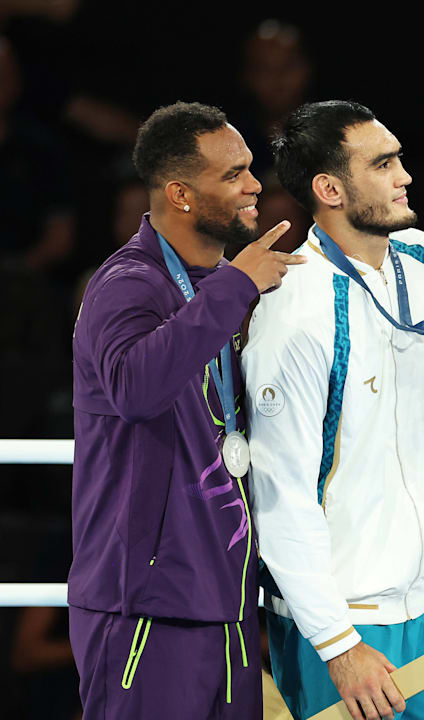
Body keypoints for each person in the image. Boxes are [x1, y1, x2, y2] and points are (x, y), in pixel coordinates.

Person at [244, 100, 424, 720]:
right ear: (330, 189)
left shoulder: (421, 256)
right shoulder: (293, 312)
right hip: (342, 625)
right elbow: (281, 493)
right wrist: (339, 646)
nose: (406, 176)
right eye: (384, 163)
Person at [69, 101, 302, 719]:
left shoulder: (215, 284)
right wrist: (237, 288)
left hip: (224, 603)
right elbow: (136, 390)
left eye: (251, 168)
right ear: (180, 194)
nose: (255, 185)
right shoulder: (127, 284)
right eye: (233, 174)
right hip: (146, 608)